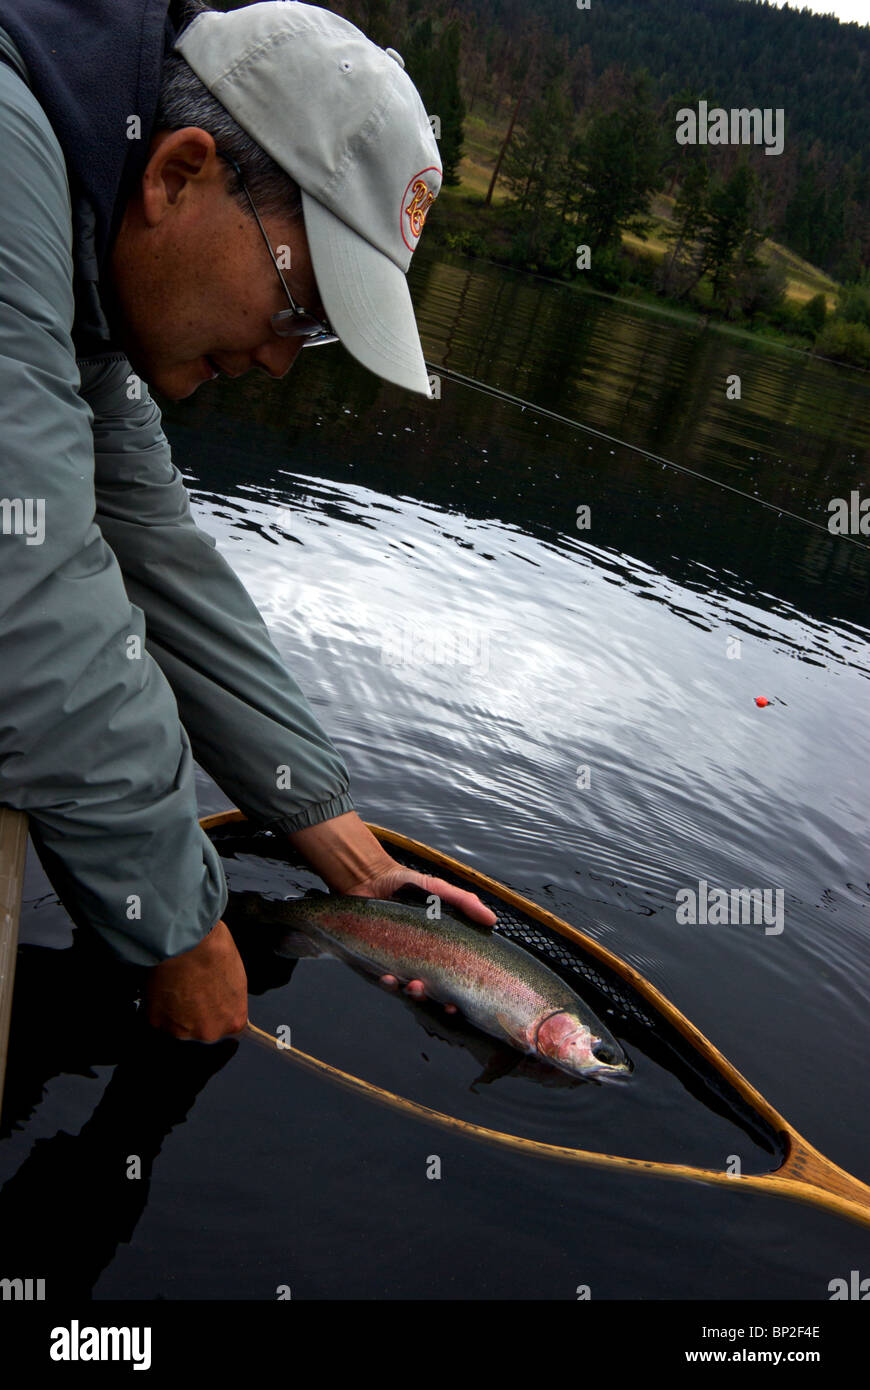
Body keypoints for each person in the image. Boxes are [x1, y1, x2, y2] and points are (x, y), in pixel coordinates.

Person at [0, 0, 496, 1044]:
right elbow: (25, 576)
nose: (279, 358)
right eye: (298, 308)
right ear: (180, 173)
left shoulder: (92, 268)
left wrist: (344, 846)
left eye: (314, 337)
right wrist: (179, 929)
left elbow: (154, 551)